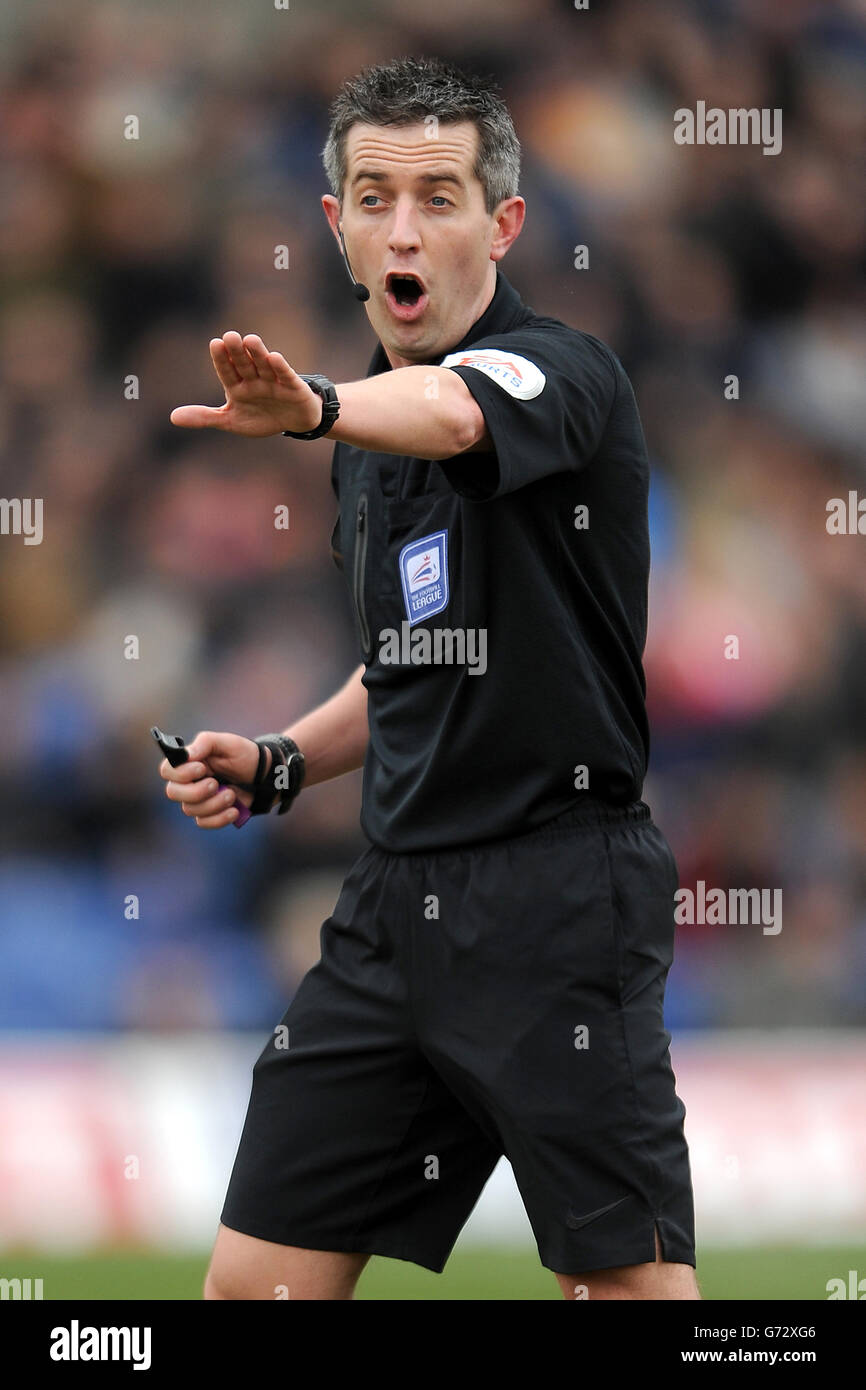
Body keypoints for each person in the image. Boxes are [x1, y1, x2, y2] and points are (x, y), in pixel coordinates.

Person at [160, 55, 699, 1301]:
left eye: (440, 196)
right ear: (336, 225)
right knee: (255, 1286)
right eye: (372, 196)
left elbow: (455, 414)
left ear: (501, 224)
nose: (403, 227)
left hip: (558, 896)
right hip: (392, 905)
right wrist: (281, 756)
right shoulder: (357, 445)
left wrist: (315, 408)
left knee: (624, 1293)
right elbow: (406, 663)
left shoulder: (560, 374)